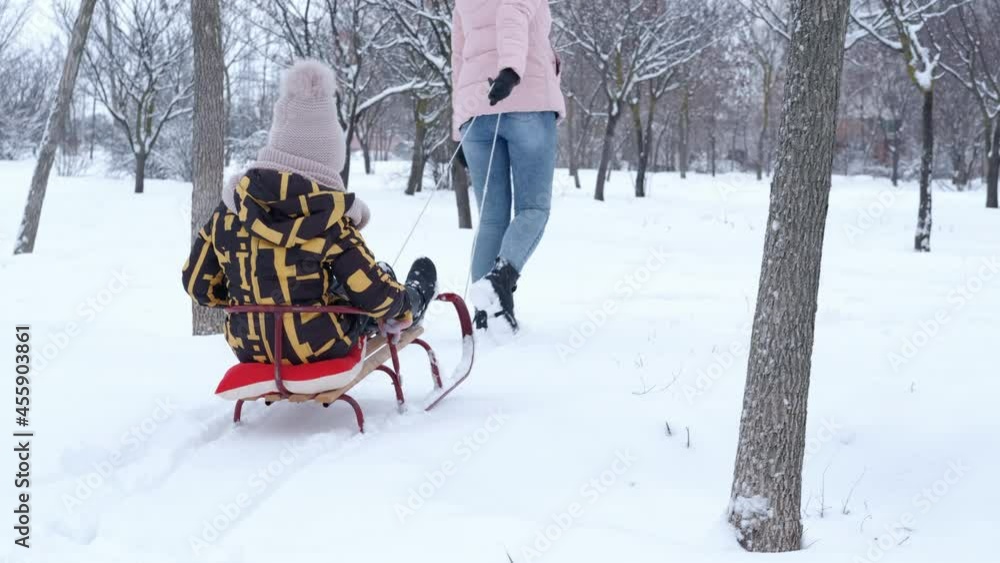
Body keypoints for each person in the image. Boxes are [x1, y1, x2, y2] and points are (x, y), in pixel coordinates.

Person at [183, 60, 436, 366]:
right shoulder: (327, 217)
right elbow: (374, 294)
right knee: (376, 284)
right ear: (325, 162)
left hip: (249, 347)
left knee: (337, 284)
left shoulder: (229, 211)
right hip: (319, 348)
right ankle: (415, 298)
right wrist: (402, 304)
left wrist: (251, 295)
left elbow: (197, 284)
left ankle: (378, 301)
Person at [452, 0, 565, 333]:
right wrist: (512, 70)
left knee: (491, 217)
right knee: (533, 208)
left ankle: (486, 316)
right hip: (525, 100)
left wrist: (458, 127)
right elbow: (511, 14)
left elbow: (459, 59)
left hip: (475, 113)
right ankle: (500, 280)